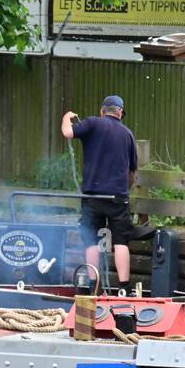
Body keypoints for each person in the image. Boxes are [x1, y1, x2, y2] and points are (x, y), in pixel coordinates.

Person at [61, 95, 138, 292]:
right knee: (121, 241)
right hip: (117, 197)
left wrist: (66, 117)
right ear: (120, 112)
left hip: (92, 196)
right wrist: (124, 190)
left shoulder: (92, 123)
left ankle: (92, 285)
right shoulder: (128, 134)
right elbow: (132, 173)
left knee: (91, 240)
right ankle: (124, 288)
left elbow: (67, 132)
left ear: (102, 110)